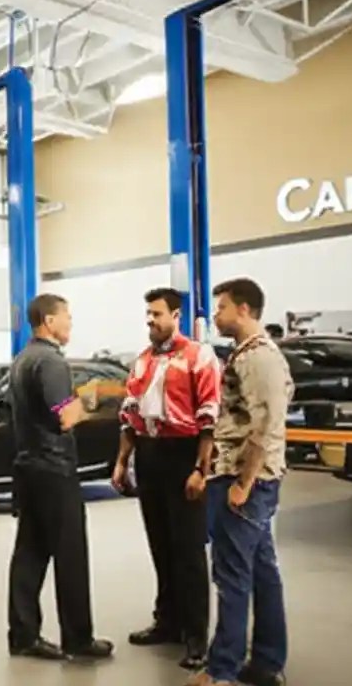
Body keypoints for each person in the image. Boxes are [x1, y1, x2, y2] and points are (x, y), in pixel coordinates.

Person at [187, 278, 294, 686]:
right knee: (262, 572)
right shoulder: (248, 354)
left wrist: (242, 483)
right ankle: (266, 663)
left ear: (244, 310)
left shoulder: (259, 357)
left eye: (222, 308)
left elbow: (265, 425)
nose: (216, 315)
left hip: (243, 480)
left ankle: (221, 671)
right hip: (242, 477)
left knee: (231, 577)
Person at [114, 287, 221, 670]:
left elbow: (209, 416)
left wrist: (200, 469)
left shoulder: (198, 356)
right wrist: (121, 462)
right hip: (149, 454)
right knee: (160, 544)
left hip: (183, 454)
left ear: (176, 315)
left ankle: (196, 636)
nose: (150, 321)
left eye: (157, 314)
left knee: (188, 549)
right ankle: (168, 621)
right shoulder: (141, 361)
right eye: (147, 314)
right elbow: (129, 415)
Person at [7, 293, 114, 662]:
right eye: (67, 316)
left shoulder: (22, 359)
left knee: (30, 553)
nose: (70, 322)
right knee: (70, 554)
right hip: (54, 470)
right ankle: (78, 639)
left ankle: (23, 635)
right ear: (49, 321)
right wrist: (91, 403)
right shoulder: (50, 362)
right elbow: (65, 417)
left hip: (28, 467)